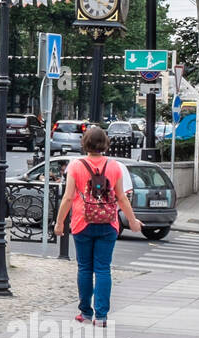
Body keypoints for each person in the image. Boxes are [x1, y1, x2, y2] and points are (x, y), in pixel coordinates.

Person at [54, 125, 142, 326]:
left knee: (85, 268)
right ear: (105, 143)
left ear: (84, 143)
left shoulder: (75, 166)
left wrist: (60, 223)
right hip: (108, 223)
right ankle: (101, 317)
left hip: (81, 223)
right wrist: (133, 221)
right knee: (103, 269)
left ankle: (85, 312)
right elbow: (122, 198)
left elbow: (68, 198)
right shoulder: (114, 167)